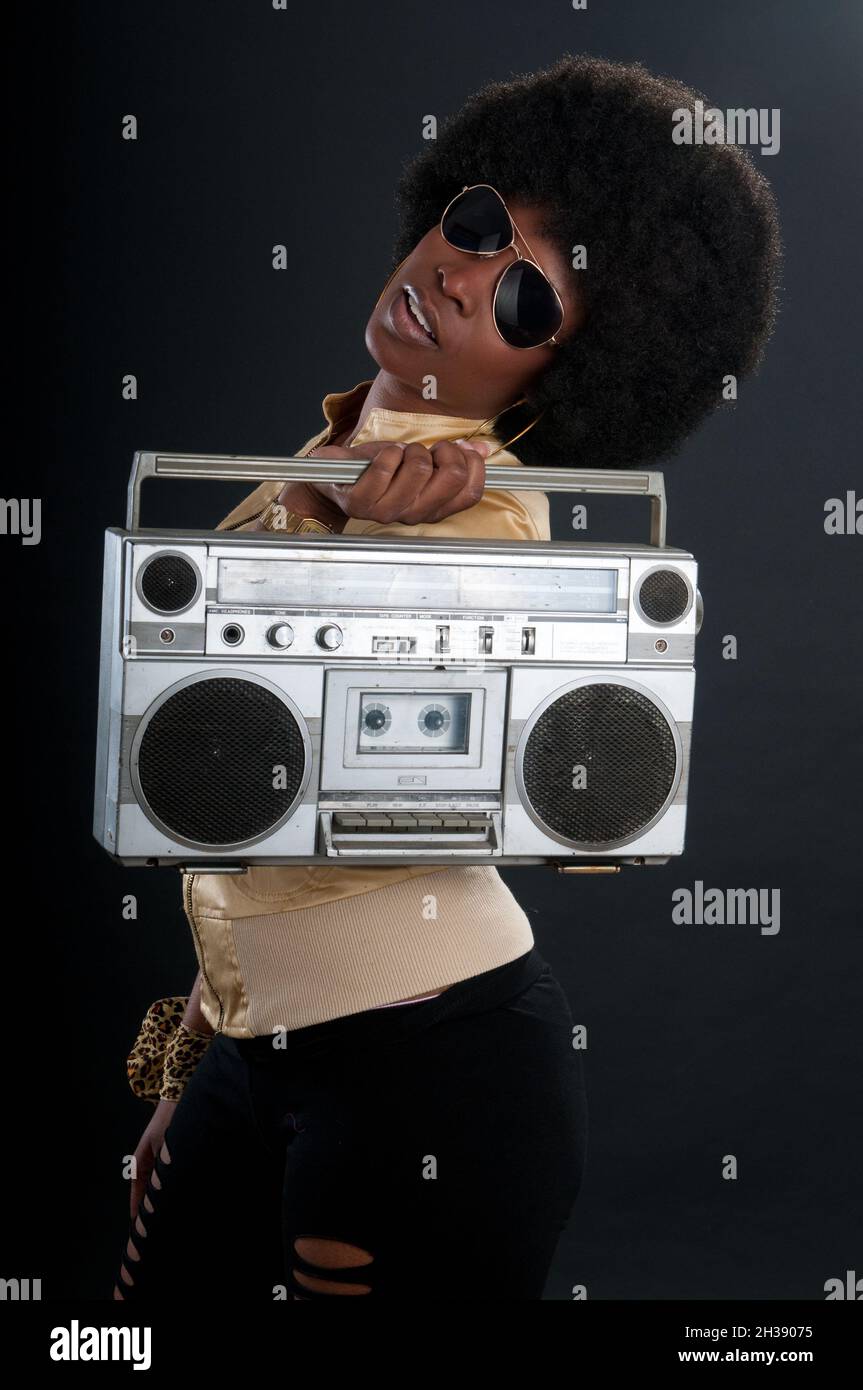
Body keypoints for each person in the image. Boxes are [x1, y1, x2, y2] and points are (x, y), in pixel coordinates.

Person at [114, 53, 781, 1301]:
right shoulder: (335, 454)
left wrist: (380, 558)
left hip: (431, 1075)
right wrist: (197, 1074)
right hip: (264, 1051)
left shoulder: (481, 537)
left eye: (526, 301)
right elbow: (238, 821)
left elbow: (352, 793)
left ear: (562, 377)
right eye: (476, 223)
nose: (462, 275)